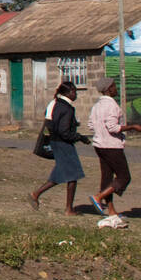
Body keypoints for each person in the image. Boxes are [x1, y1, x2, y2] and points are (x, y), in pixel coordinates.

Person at [88, 76, 141, 229]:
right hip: (112, 146)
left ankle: (111, 212)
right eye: (114, 86)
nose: (116, 88)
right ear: (108, 89)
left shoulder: (96, 106)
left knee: (107, 179)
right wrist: (133, 127)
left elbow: (90, 125)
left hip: (99, 145)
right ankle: (98, 197)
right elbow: (113, 128)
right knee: (124, 177)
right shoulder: (112, 106)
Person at [29, 81, 89, 215]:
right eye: (74, 92)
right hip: (64, 144)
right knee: (73, 175)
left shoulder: (55, 104)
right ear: (69, 92)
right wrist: (79, 137)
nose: (76, 94)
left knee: (60, 174)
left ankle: (36, 194)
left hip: (55, 142)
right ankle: (69, 209)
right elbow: (64, 131)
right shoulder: (67, 108)